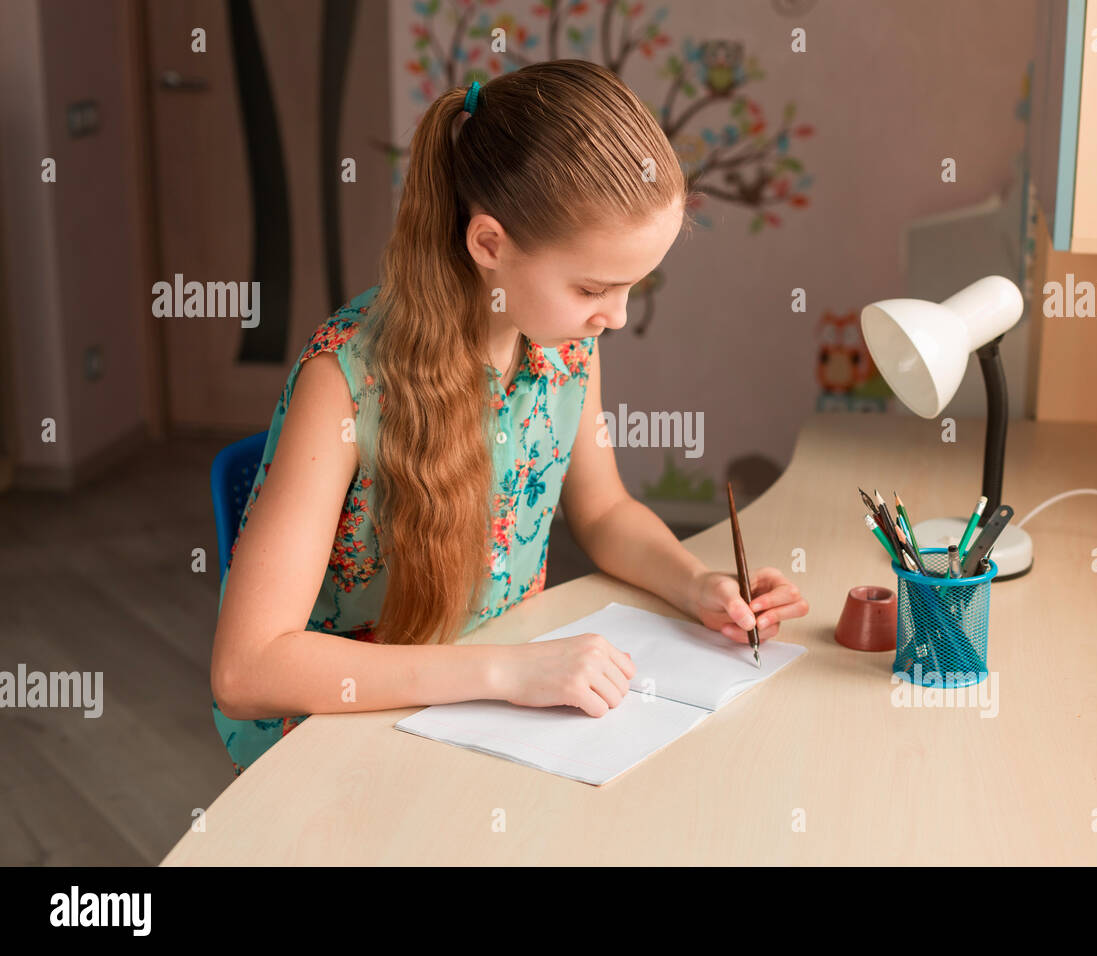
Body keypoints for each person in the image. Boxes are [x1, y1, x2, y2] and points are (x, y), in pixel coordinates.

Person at [210, 60, 809, 775]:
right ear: (490, 244)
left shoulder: (562, 343)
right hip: (342, 731)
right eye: (594, 287)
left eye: (631, 290)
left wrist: (697, 585)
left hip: (490, 701)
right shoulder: (341, 383)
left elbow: (607, 511)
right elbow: (247, 672)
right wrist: (507, 674)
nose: (614, 318)